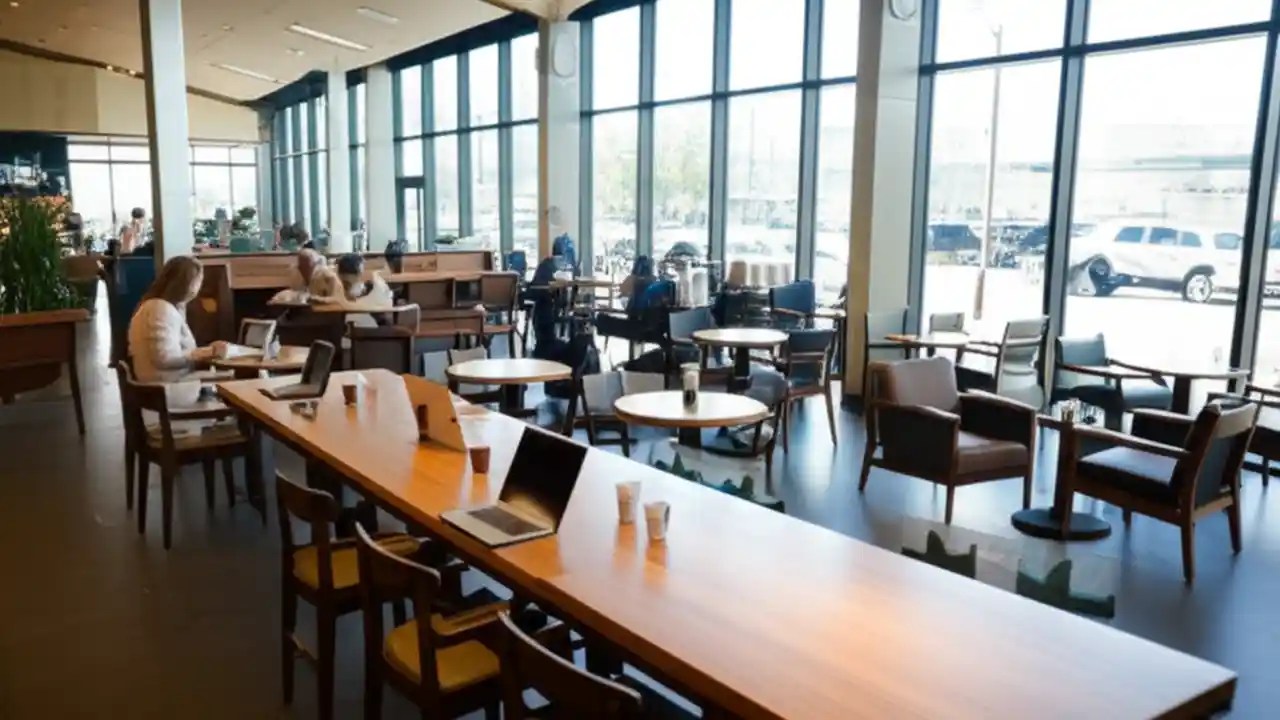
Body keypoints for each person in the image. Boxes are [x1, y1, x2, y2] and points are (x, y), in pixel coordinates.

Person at [127, 256, 227, 383]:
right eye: (198, 281)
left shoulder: (152, 306)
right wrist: (210, 352)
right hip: (167, 386)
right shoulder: (161, 309)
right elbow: (165, 358)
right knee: (236, 380)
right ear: (188, 284)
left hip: (159, 382)